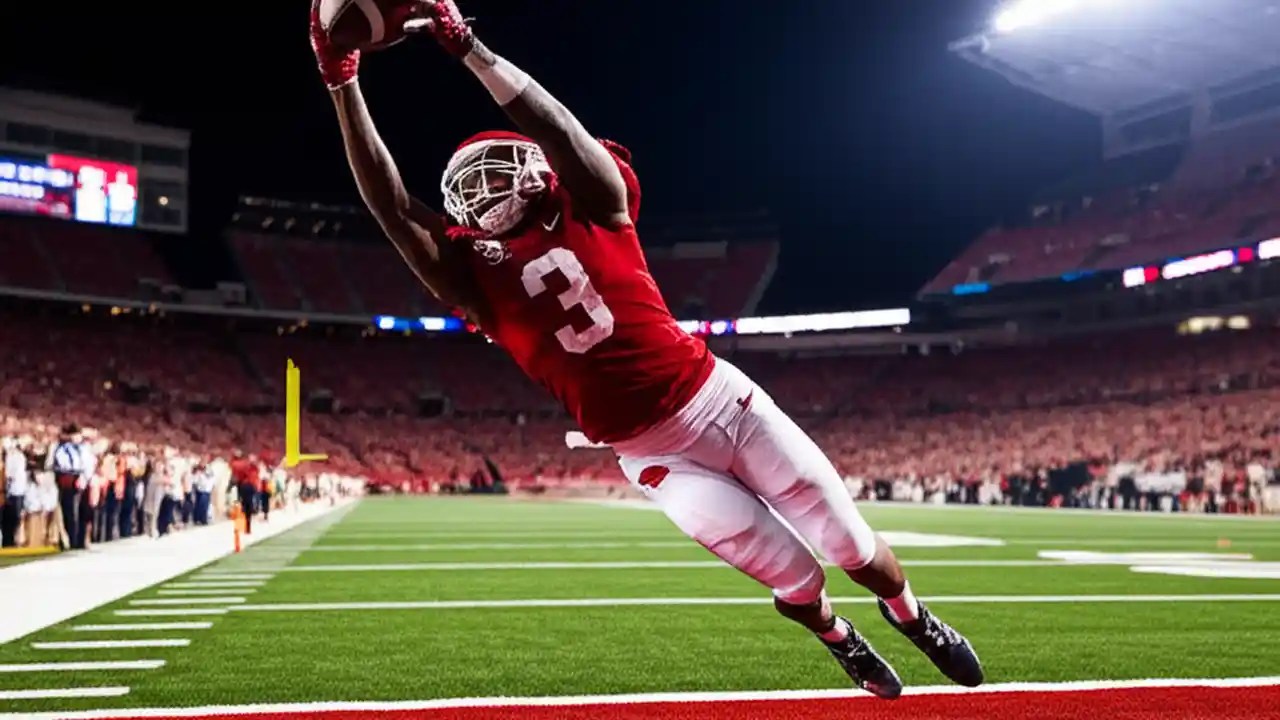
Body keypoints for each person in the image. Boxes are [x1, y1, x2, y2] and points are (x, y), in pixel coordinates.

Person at [310, 0, 982, 698]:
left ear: (539, 167)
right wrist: (343, 81)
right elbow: (391, 207)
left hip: (724, 403)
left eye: (496, 167)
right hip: (653, 454)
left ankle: (911, 615)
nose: (484, 188)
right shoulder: (474, 278)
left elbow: (563, 131)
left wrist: (473, 51)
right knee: (794, 573)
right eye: (470, 185)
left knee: (849, 544)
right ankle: (839, 637)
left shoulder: (598, 201)